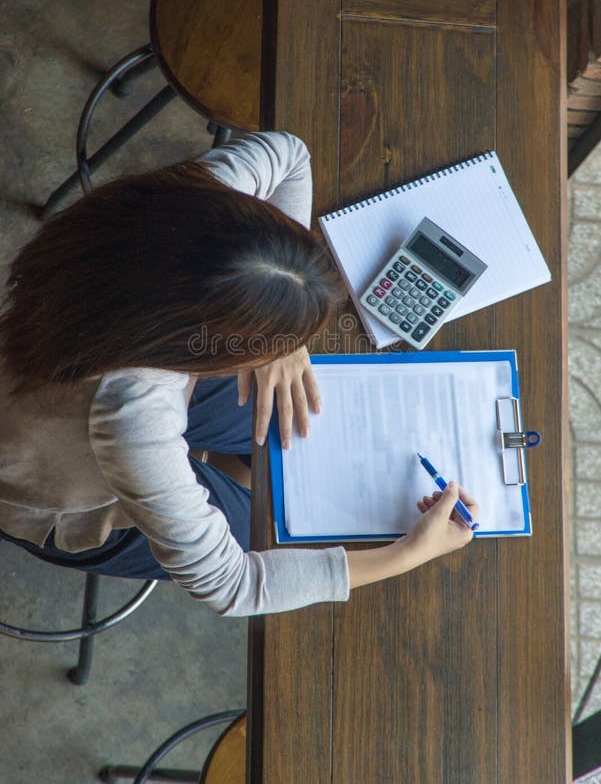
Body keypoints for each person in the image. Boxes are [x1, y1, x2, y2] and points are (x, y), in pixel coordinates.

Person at [0, 131, 478, 617]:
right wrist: (410, 553)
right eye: (256, 343)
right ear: (203, 337)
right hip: (66, 487)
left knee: (289, 419)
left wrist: (276, 315)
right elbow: (236, 584)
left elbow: (291, 155)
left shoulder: (187, 199)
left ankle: (228, 465)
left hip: (76, 350)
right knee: (268, 530)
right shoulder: (135, 416)